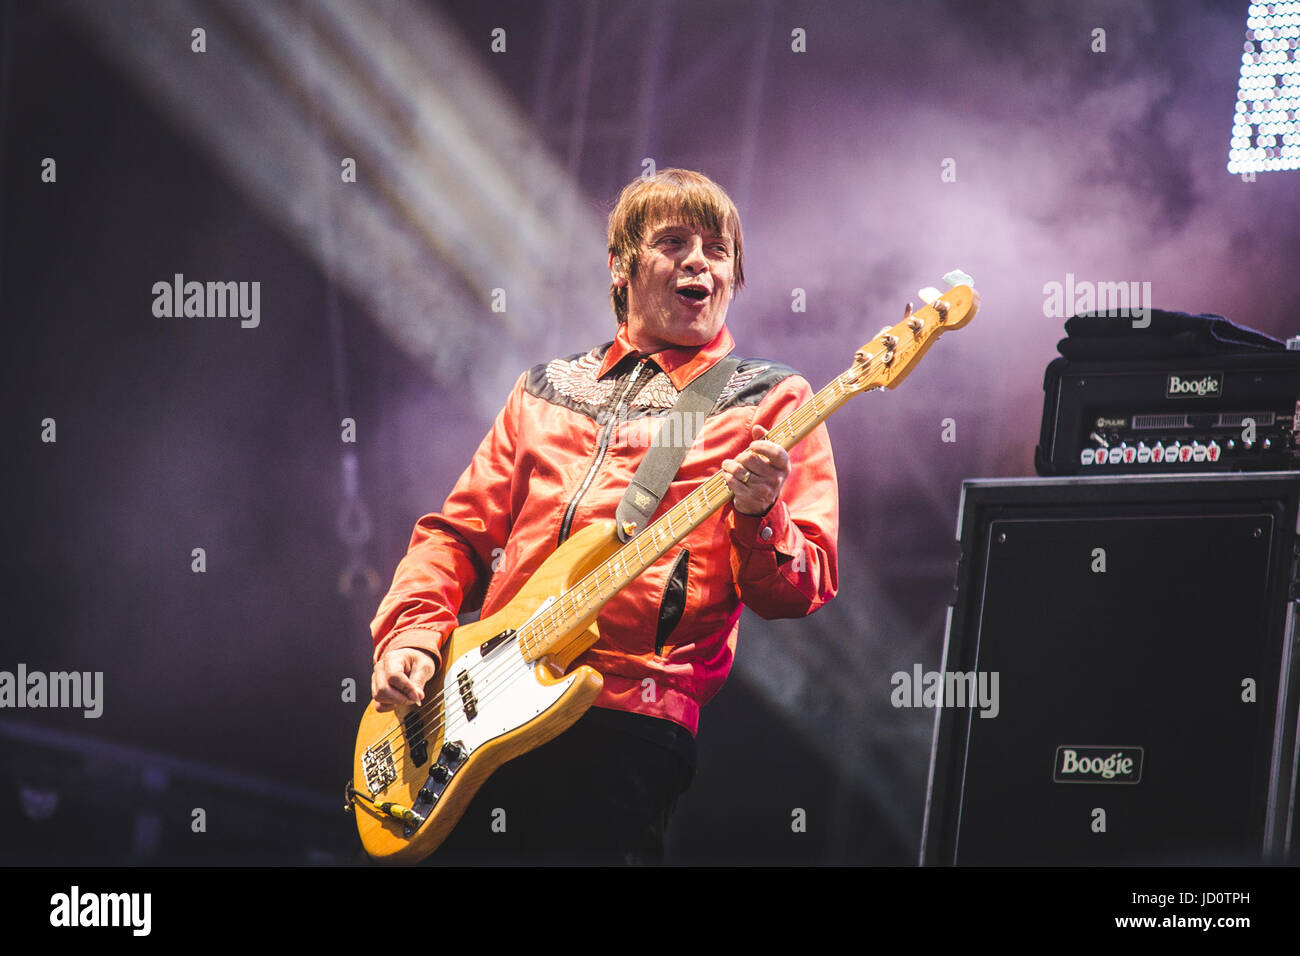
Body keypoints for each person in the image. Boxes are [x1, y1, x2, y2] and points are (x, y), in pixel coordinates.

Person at [368, 168, 839, 864]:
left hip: (625, 730)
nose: (699, 262)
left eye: (717, 248)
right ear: (619, 266)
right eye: (673, 241)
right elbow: (457, 536)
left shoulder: (771, 400)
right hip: (476, 705)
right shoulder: (546, 389)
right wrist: (410, 634)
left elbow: (800, 588)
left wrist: (762, 513)